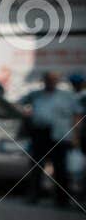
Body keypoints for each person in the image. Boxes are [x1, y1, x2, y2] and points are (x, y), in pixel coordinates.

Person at [20, 72, 79, 206]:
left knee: (60, 168)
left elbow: (76, 116)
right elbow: (19, 104)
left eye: (54, 80)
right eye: (48, 80)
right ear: (44, 81)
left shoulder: (66, 97)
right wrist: (26, 116)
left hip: (59, 135)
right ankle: (33, 195)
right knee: (36, 166)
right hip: (40, 133)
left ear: (57, 81)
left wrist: (75, 136)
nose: (51, 82)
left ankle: (62, 200)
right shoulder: (36, 95)